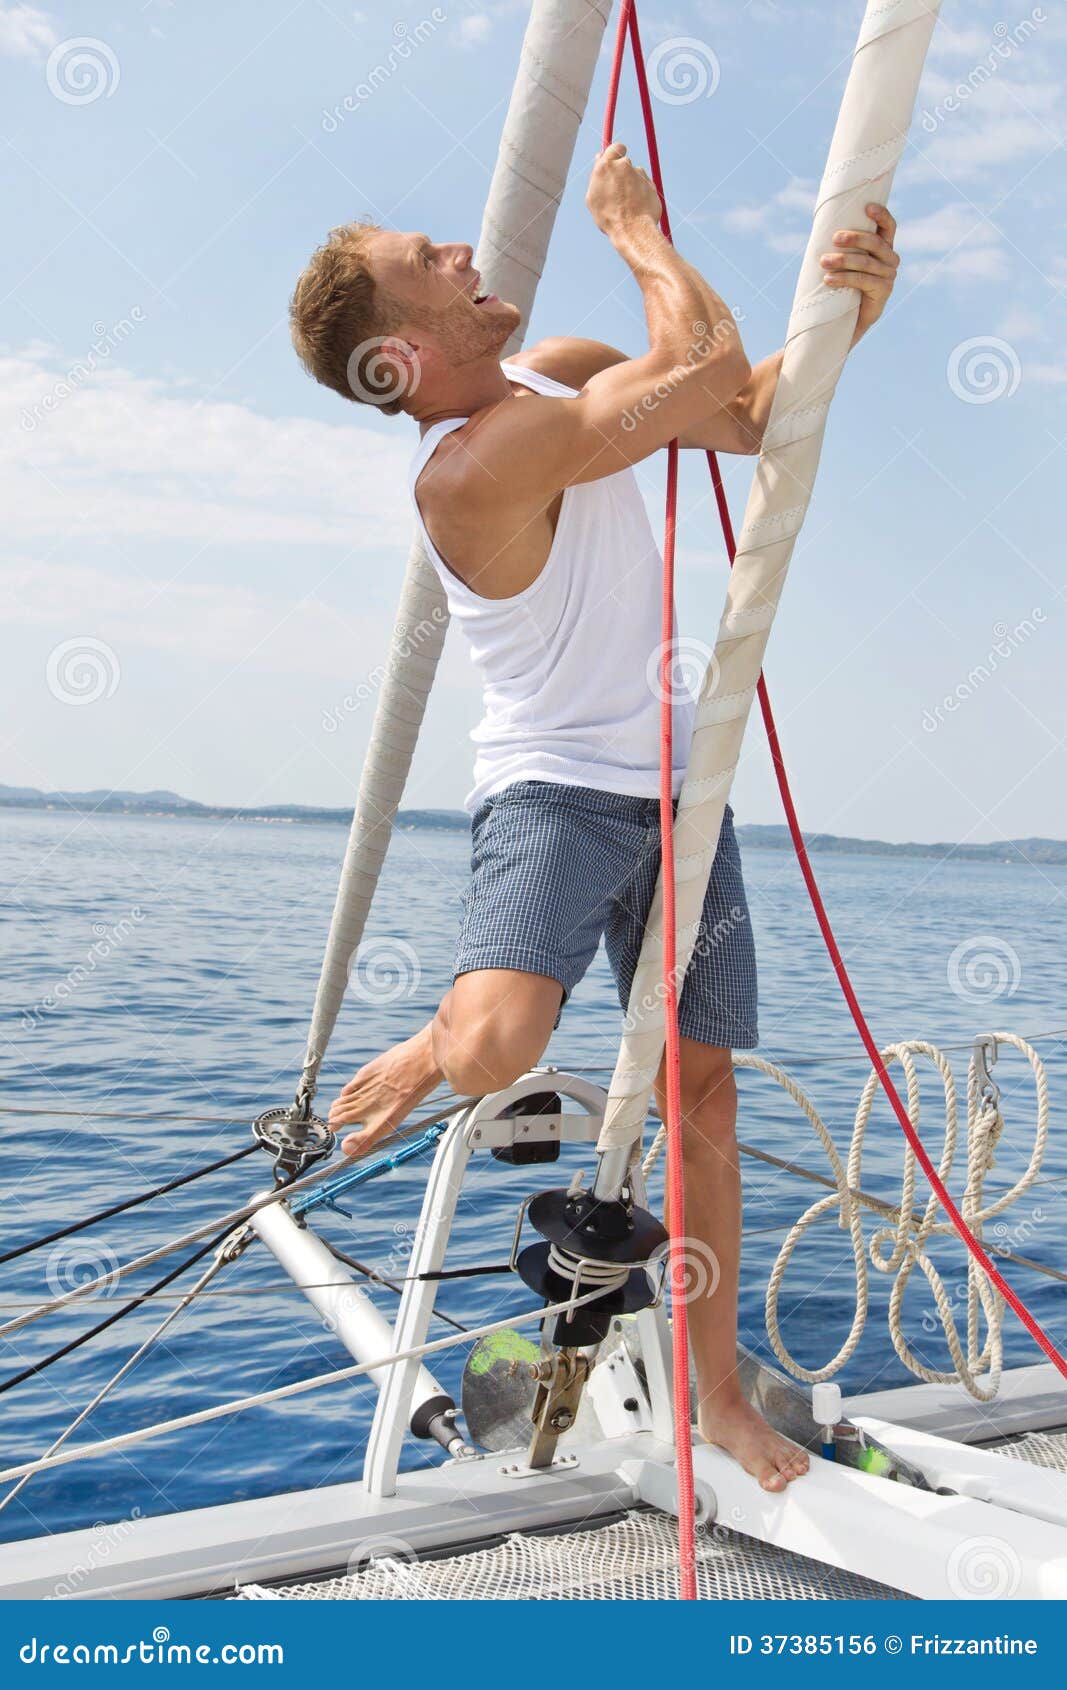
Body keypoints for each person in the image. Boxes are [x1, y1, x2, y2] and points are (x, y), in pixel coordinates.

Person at [289, 143, 899, 1491]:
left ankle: (718, 1394)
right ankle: (441, 1030)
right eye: (428, 262)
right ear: (400, 354)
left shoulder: (559, 370)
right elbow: (692, 366)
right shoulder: (462, 474)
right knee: (502, 1041)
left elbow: (736, 410)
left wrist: (855, 311)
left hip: (685, 782)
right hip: (556, 781)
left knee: (700, 1086)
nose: (464, 250)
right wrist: (637, 234)